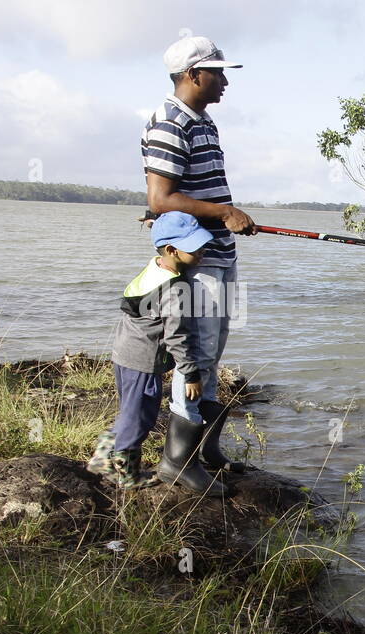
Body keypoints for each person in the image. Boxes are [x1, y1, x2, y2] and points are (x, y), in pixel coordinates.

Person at [142, 35, 255, 480]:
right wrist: (225, 212)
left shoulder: (204, 122)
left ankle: (205, 453)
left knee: (212, 353)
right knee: (196, 353)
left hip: (220, 252)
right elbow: (160, 197)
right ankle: (176, 463)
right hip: (197, 262)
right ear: (192, 75)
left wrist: (227, 218)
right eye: (218, 71)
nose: (225, 80)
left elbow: (185, 190)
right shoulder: (171, 122)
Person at [87, 212, 219, 494]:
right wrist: (191, 373)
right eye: (195, 248)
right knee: (141, 418)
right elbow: (177, 337)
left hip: (124, 353)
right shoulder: (176, 288)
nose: (202, 252)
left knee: (129, 411)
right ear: (172, 250)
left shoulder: (155, 268)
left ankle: (101, 457)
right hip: (143, 361)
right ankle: (125, 473)